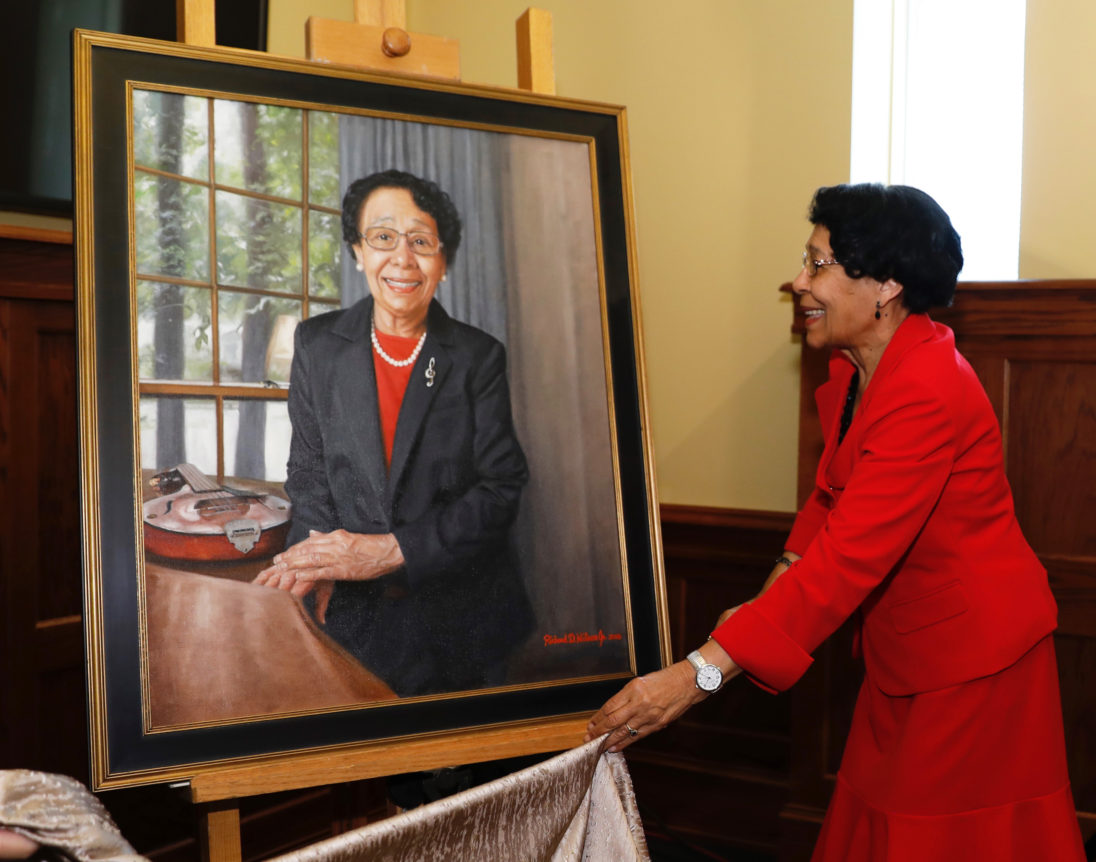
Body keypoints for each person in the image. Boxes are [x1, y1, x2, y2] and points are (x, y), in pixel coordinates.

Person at [585, 184, 1086, 860]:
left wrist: (695, 677)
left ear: (885, 285)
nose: (797, 282)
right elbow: (827, 508)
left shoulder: (930, 387)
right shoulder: (858, 372)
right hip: (905, 655)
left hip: (975, 669)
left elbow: (849, 557)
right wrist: (760, 605)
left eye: (819, 264)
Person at [256, 169, 533, 698]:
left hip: (457, 614)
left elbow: (501, 491)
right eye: (382, 237)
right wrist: (312, 563)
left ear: (443, 262)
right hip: (352, 611)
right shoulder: (317, 344)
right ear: (358, 252)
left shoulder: (477, 357)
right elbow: (310, 472)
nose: (402, 258)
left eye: (421, 242)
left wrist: (390, 550)